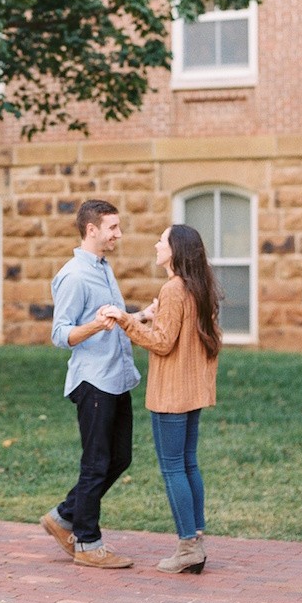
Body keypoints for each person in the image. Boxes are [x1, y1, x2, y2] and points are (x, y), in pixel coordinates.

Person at [101, 224, 222, 574]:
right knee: (188, 463)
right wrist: (152, 318)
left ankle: (188, 548)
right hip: (193, 390)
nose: (156, 245)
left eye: (162, 241)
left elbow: (162, 343)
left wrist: (125, 320)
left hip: (171, 394)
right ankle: (196, 539)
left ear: (176, 250)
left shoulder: (173, 288)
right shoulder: (199, 286)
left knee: (173, 467)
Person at [40, 199, 148, 569]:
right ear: (92, 230)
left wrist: (141, 316)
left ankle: (63, 516)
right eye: (113, 227)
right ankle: (87, 543)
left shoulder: (103, 268)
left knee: (120, 458)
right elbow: (60, 334)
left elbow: (113, 320)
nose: (119, 234)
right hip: (94, 381)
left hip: (117, 378)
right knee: (96, 462)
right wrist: (95, 326)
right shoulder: (73, 275)